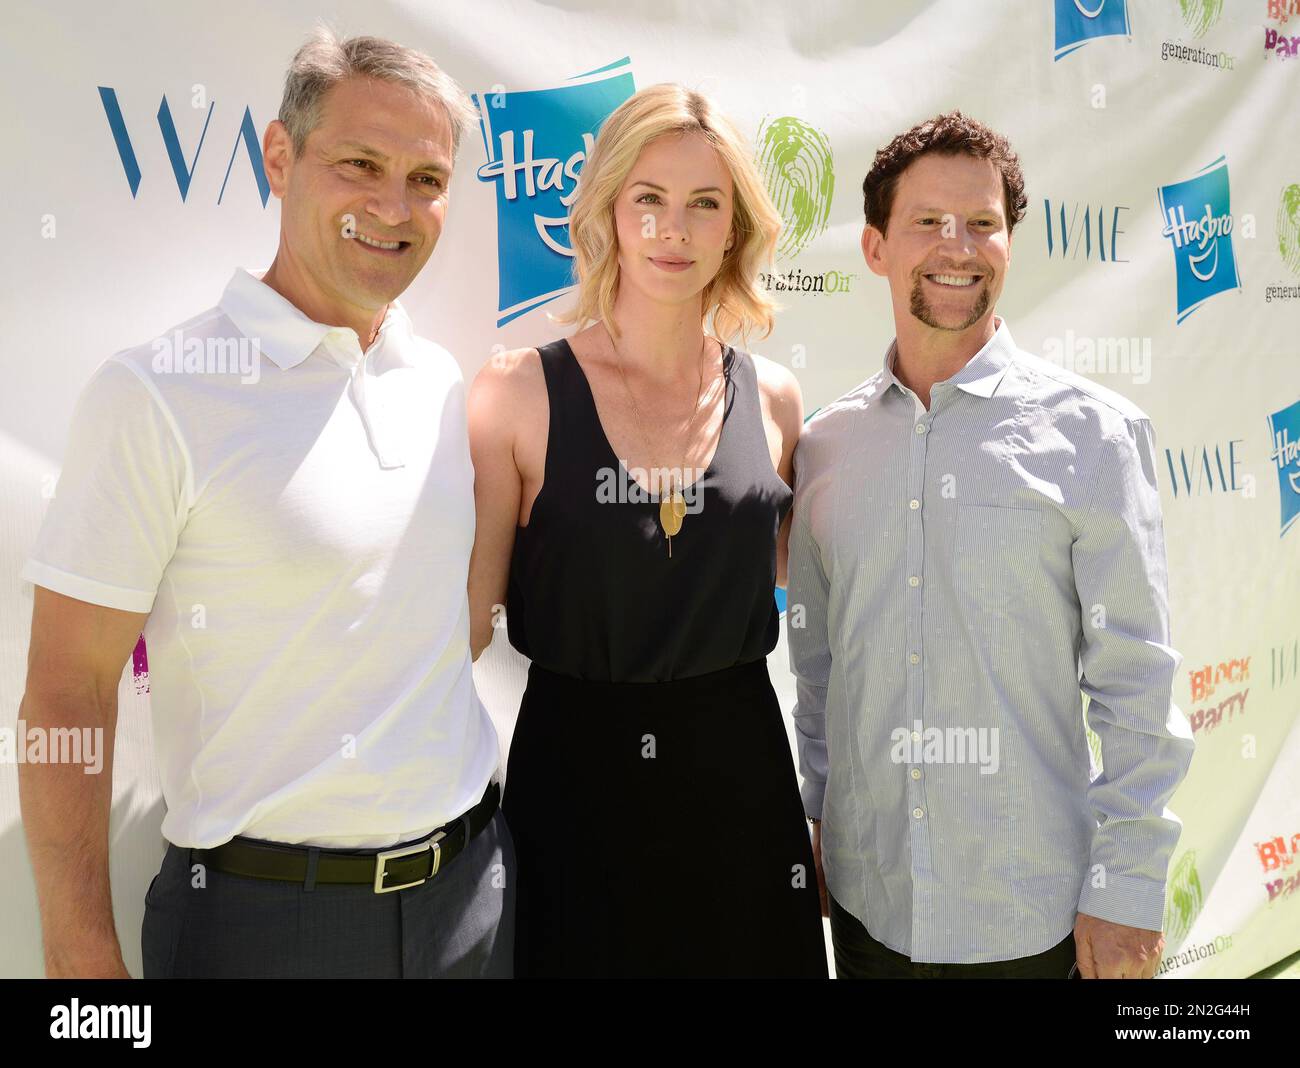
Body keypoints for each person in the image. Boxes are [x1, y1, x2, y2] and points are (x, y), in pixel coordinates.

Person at [17, 29, 513, 979]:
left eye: (427, 178)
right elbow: (65, 691)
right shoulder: (156, 394)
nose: (393, 206)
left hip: (473, 904)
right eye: (360, 164)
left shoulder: (443, 382)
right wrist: (79, 963)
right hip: (263, 931)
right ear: (279, 159)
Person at [787, 111, 1195, 979]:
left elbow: (1138, 685)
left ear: (1011, 242)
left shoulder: (1096, 437)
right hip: (868, 904)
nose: (957, 245)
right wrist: (819, 818)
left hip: (1033, 920)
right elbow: (821, 670)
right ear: (875, 246)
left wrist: (1127, 893)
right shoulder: (826, 447)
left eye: (983, 223)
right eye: (927, 222)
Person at [466, 83, 827, 977]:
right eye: (649, 201)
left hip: (743, 782)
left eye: (705, 204)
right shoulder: (518, 392)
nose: (675, 230)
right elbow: (461, 632)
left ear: (735, 226)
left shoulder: (776, 398)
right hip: (572, 788)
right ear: (609, 212)